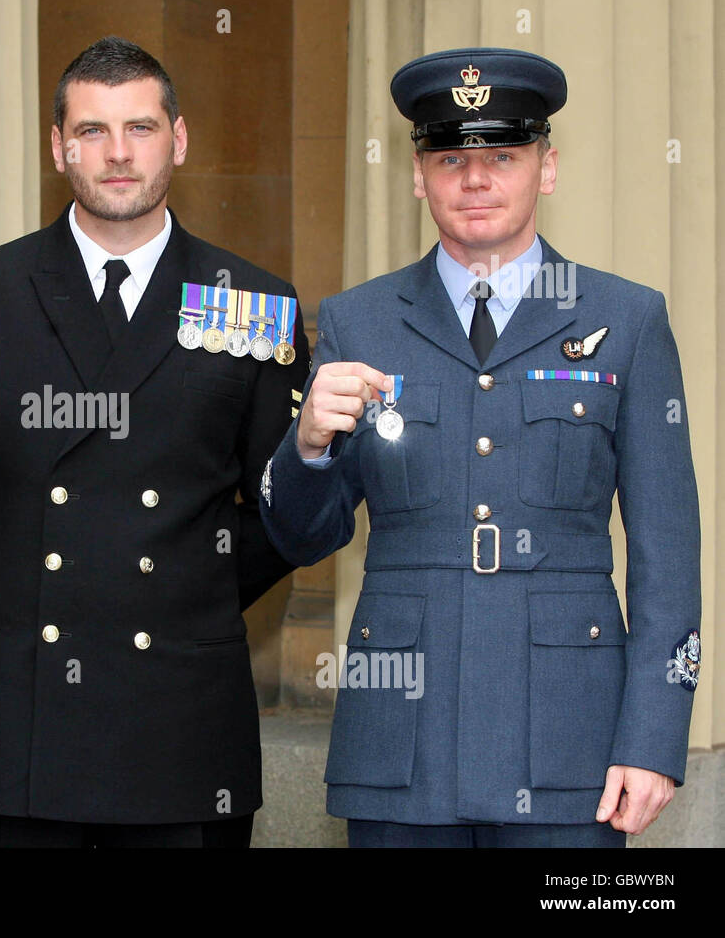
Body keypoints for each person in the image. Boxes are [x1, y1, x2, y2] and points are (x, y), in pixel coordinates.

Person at [0, 36, 309, 847]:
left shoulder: (253, 302)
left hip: (179, 736)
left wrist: (186, 588)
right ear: (58, 146)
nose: (116, 153)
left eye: (140, 128)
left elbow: (292, 521)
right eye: (91, 130)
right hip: (14, 739)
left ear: (179, 140)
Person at [260, 47, 700, 847]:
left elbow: (668, 550)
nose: (476, 178)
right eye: (451, 157)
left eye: (503, 154)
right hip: (403, 745)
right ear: (418, 175)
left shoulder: (627, 320)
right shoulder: (361, 320)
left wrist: (653, 738)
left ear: (548, 167)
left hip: (570, 746)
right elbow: (302, 533)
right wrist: (308, 446)